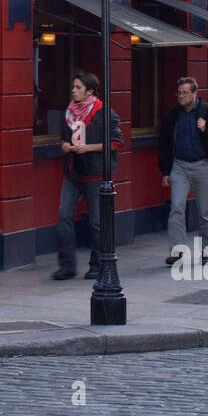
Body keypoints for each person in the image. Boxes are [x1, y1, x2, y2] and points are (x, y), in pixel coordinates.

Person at [53, 71, 122, 281]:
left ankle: (98, 264)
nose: (73, 91)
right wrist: (64, 145)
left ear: (90, 91)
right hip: (74, 171)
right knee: (64, 215)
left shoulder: (104, 112)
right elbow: (63, 138)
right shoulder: (70, 112)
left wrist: (89, 148)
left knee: (97, 222)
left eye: (78, 88)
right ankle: (67, 266)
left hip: (96, 172)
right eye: (73, 87)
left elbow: (117, 142)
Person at [159, 76, 208, 266]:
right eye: (179, 93)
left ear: (195, 93)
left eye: (185, 93)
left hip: (202, 165)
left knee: (206, 212)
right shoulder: (173, 115)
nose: (181, 96)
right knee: (176, 207)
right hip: (179, 166)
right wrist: (166, 170)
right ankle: (177, 251)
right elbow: (165, 144)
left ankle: (207, 251)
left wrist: (206, 129)